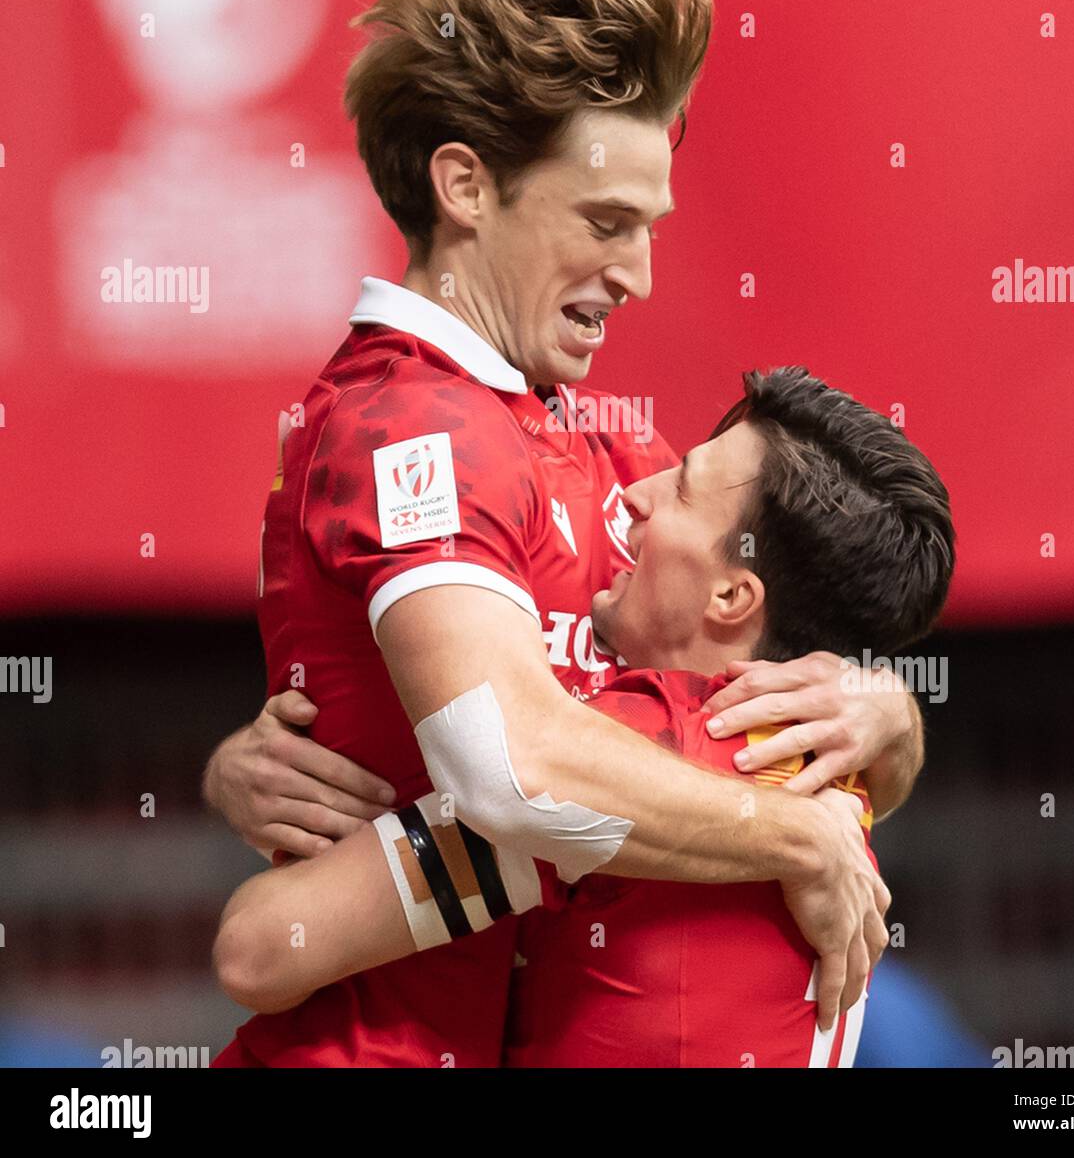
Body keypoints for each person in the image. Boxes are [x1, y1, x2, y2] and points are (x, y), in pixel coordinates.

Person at [202, 0, 915, 1067]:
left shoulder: (599, 455)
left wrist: (885, 719)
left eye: (649, 225)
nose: (636, 271)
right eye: (605, 219)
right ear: (466, 187)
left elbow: (752, 638)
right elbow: (513, 770)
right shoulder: (407, 426)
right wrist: (793, 832)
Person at [213, 367, 955, 1067]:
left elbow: (257, 948)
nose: (636, 496)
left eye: (683, 491)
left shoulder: (611, 774)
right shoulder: (838, 756)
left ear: (732, 598)